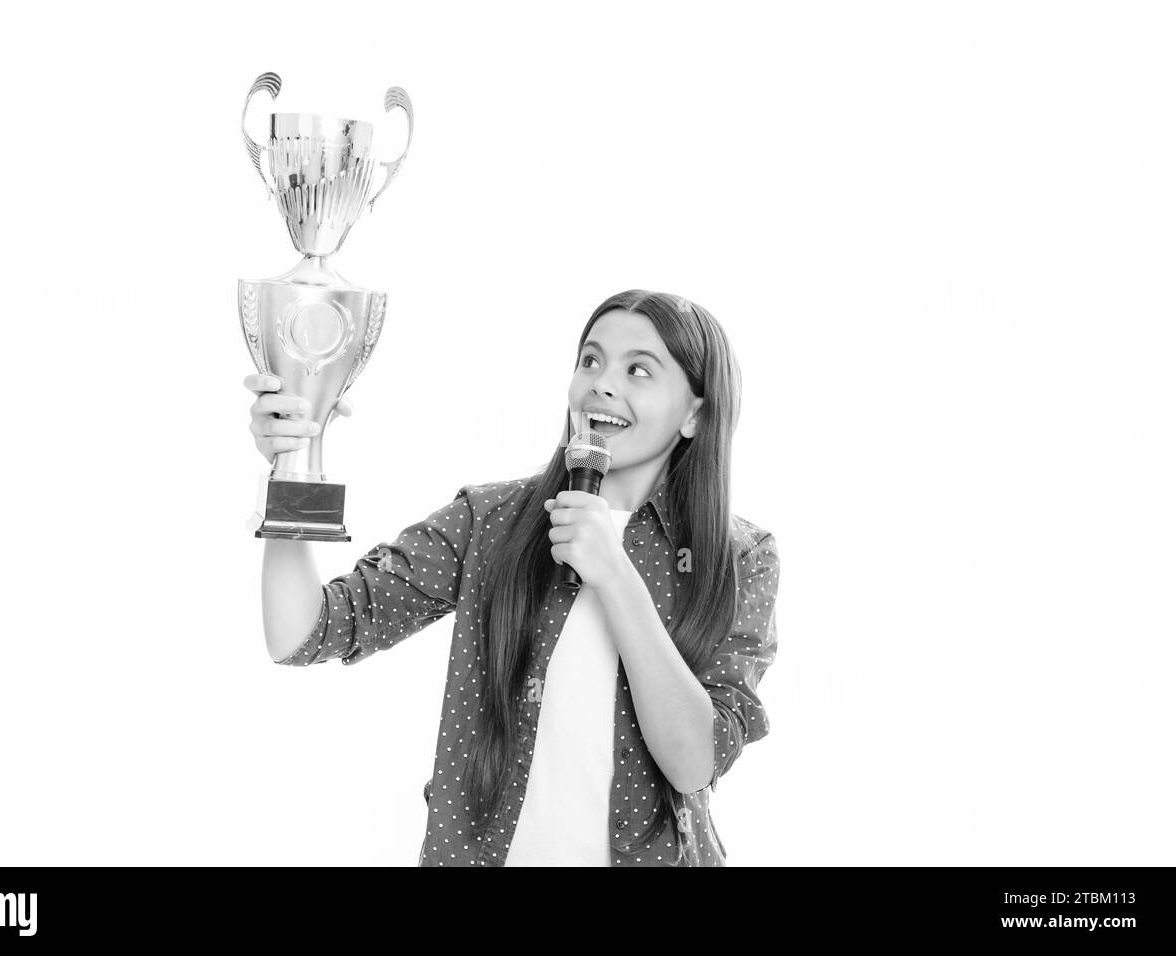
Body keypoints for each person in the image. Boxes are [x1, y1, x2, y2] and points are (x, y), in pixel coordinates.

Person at [245, 289, 780, 866]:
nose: (601, 383)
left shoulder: (739, 558)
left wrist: (616, 576)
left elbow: (695, 762)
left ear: (696, 413)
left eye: (639, 370)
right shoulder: (491, 522)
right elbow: (302, 631)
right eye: (591, 360)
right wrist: (294, 461)